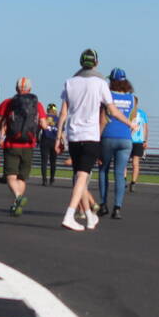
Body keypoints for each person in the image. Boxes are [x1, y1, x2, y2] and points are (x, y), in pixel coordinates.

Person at [56, 49, 133, 232]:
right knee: (83, 177)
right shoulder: (100, 84)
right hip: (90, 135)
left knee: (79, 178)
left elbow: (63, 112)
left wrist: (59, 134)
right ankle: (70, 214)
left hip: (73, 135)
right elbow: (112, 111)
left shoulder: (70, 82)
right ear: (96, 63)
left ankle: (90, 216)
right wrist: (129, 123)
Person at [0, 77, 46, 217]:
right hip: (29, 145)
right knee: (21, 178)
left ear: (16, 88)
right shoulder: (37, 104)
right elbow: (43, 124)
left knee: (10, 176)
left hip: (12, 144)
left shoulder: (9, 102)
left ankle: (18, 197)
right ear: (30, 89)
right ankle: (16, 204)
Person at [97, 69, 137, 219]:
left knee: (103, 170)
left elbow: (102, 119)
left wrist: (97, 139)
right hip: (126, 138)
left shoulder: (106, 97)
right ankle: (117, 207)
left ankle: (103, 204)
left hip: (108, 136)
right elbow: (132, 120)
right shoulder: (132, 99)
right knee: (120, 174)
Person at [39, 103, 61, 186]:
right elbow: (61, 131)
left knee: (44, 161)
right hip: (54, 140)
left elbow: (39, 127)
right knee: (53, 161)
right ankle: (52, 179)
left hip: (45, 140)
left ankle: (44, 180)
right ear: (55, 110)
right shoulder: (58, 119)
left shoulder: (44, 117)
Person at [129, 103, 149, 190]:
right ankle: (128, 181)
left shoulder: (140, 113)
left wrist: (145, 140)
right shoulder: (131, 112)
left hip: (134, 141)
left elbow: (145, 128)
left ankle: (130, 182)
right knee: (132, 163)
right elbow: (146, 128)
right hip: (132, 141)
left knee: (133, 163)